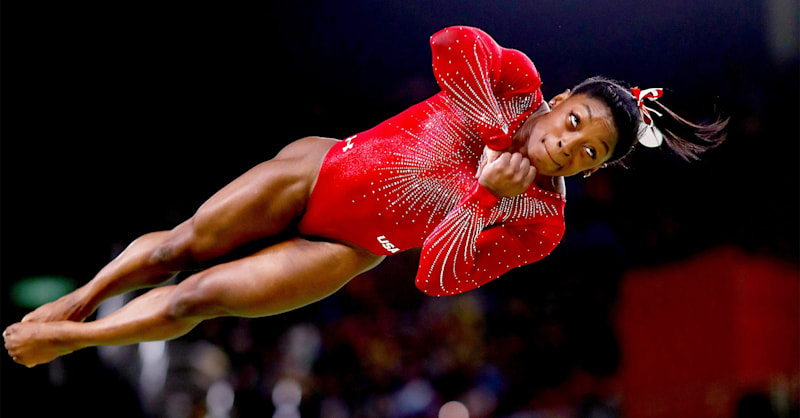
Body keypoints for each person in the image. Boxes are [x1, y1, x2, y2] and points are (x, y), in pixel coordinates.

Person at [4, 26, 726, 367]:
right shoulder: (516, 84)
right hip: (320, 169)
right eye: (575, 124)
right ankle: (83, 295)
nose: (571, 146)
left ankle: (70, 337)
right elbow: (452, 44)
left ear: (593, 170)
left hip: (347, 248)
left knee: (200, 298)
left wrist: (481, 196)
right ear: (561, 100)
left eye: (589, 152)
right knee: (176, 246)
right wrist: (500, 138)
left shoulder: (541, 220)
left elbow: (437, 276)